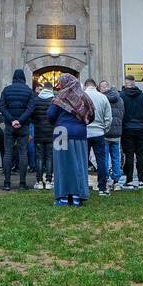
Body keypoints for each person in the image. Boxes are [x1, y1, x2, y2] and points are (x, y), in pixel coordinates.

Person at [48, 73, 94, 206]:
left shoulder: (60, 96)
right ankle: (76, 197)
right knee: (78, 164)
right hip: (79, 134)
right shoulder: (84, 97)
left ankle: (62, 197)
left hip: (60, 132)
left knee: (61, 165)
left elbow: (51, 115)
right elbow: (91, 116)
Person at [0, 69, 36, 191]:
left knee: (8, 153)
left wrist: (12, 120)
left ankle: (7, 182)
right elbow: (31, 108)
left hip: (10, 126)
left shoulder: (6, 90)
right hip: (24, 126)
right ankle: (22, 183)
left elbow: (3, 107)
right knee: (23, 153)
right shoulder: (29, 91)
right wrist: (20, 121)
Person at [118, 76, 143, 187]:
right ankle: (141, 179)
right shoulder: (142, 96)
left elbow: (120, 113)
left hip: (127, 128)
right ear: (134, 83)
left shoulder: (122, 96)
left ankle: (129, 179)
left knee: (129, 155)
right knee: (141, 154)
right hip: (141, 128)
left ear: (126, 84)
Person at [83, 79, 113, 195]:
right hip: (99, 132)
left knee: (83, 160)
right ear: (96, 86)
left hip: (85, 132)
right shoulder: (103, 97)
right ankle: (102, 187)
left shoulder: (82, 96)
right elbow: (108, 117)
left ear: (85, 86)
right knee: (101, 160)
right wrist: (104, 129)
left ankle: (83, 186)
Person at [30, 78, 56, 188]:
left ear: (43, 88)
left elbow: (31, 115)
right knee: (50, 156)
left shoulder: (36, 100)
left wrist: (36, 123)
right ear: (51, 89)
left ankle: (39, 181)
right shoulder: (54, 100)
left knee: (39, 157)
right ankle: (49, 181)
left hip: (39, 131)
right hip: (51, 132)